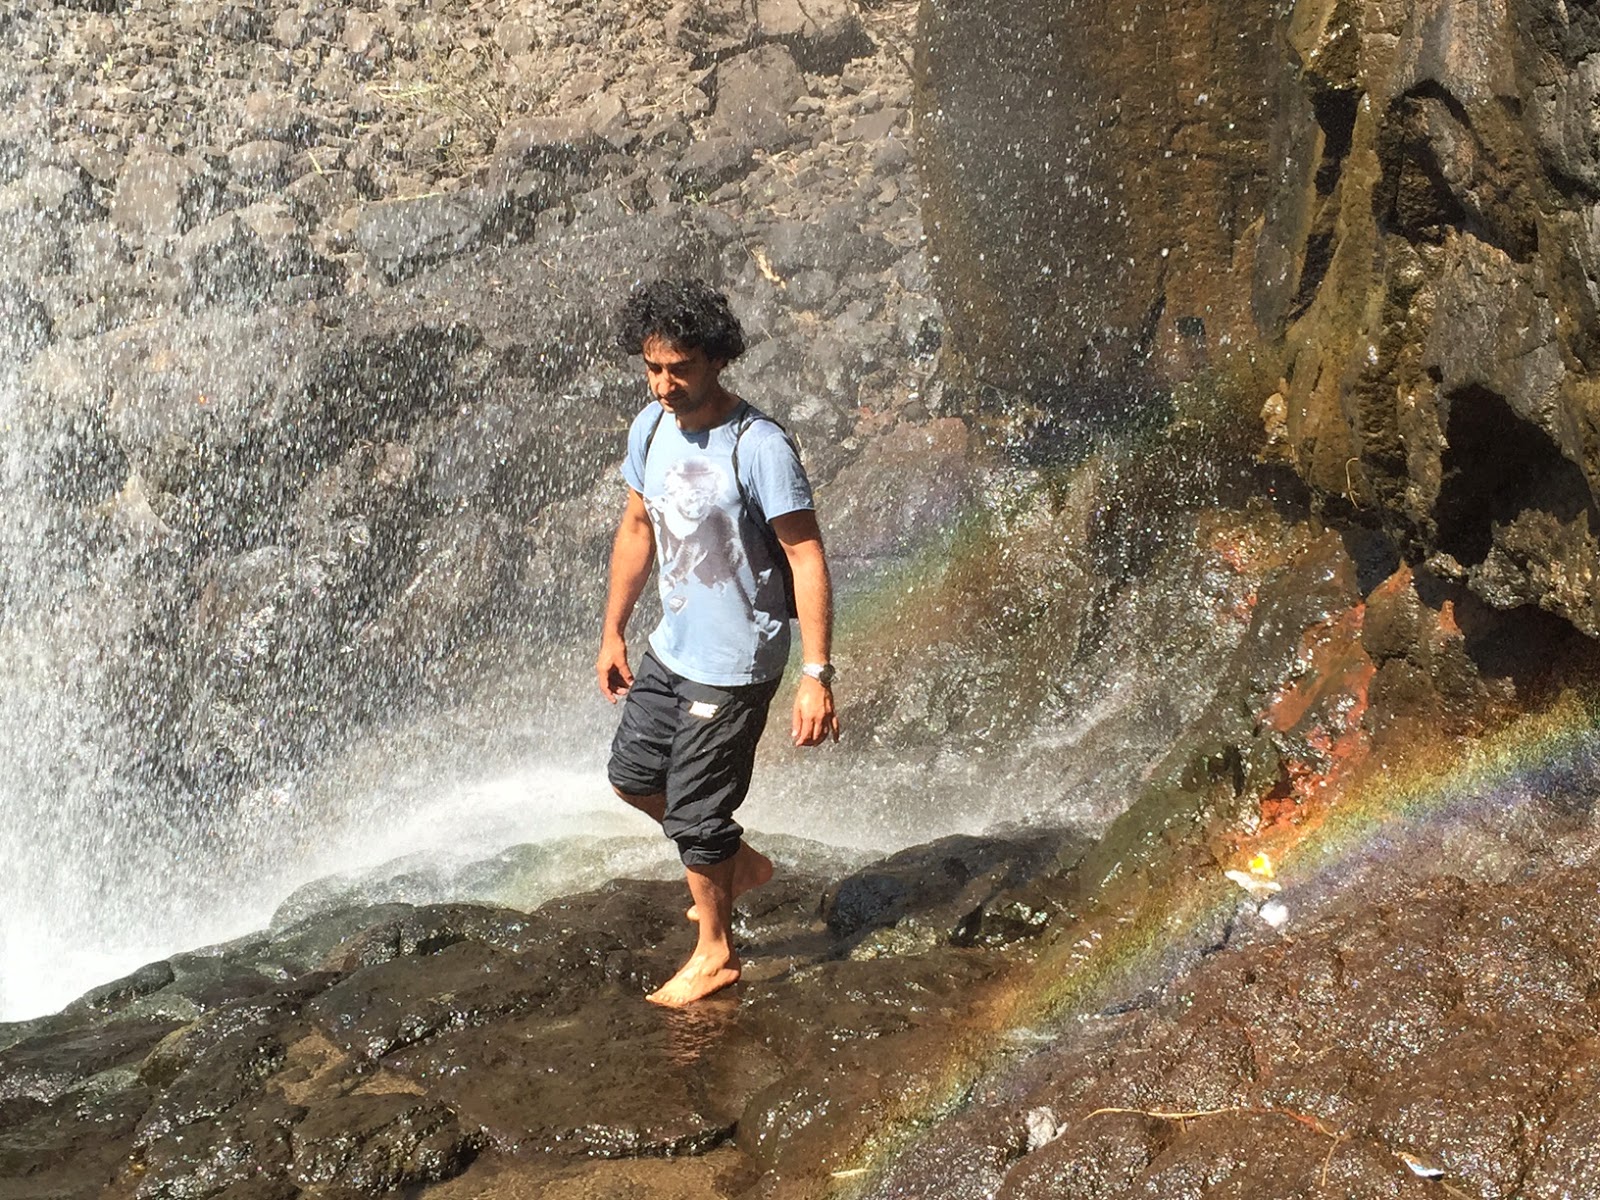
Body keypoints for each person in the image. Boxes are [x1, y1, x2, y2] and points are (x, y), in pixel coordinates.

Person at [597, 278, 839, 1007]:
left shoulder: (759, 448)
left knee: (699, 813)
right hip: (674, 648)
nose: (665, 384)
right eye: (653, 368)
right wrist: (612, 629)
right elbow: (638, 528)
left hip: (736, 663)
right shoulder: (650, 428)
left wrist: (816, 673)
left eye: (681, 368)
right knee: (634, 775)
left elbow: (806, 556)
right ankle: (739, 866)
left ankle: (716, 951)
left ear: (717, 361)